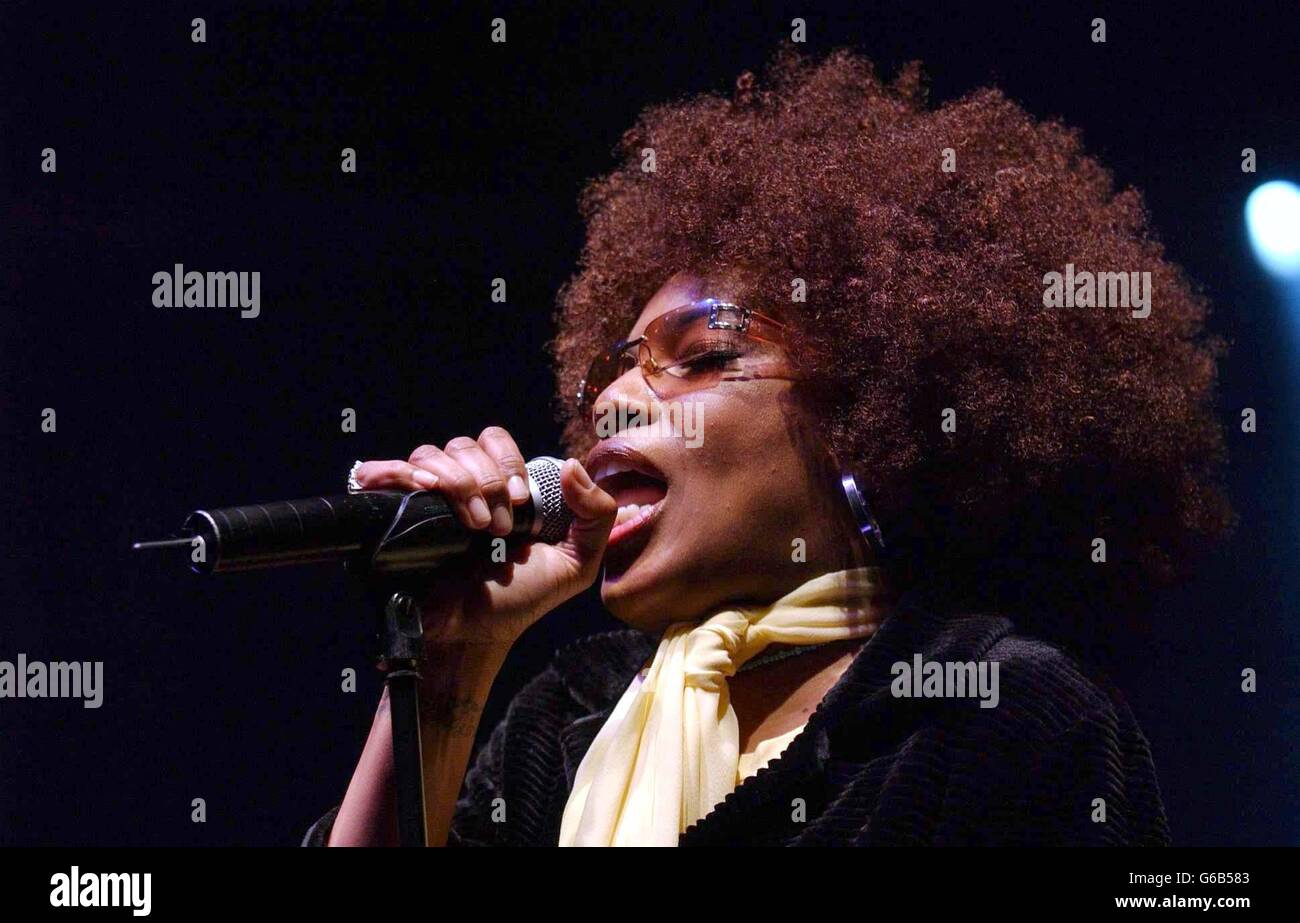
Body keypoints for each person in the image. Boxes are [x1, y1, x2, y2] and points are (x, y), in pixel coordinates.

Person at [304, 47, 1231, 847]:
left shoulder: (996, 712)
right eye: (607, 377)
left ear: (871, 412)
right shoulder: (564, 719)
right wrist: (449, 664)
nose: (616, 402)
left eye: (702, 356)